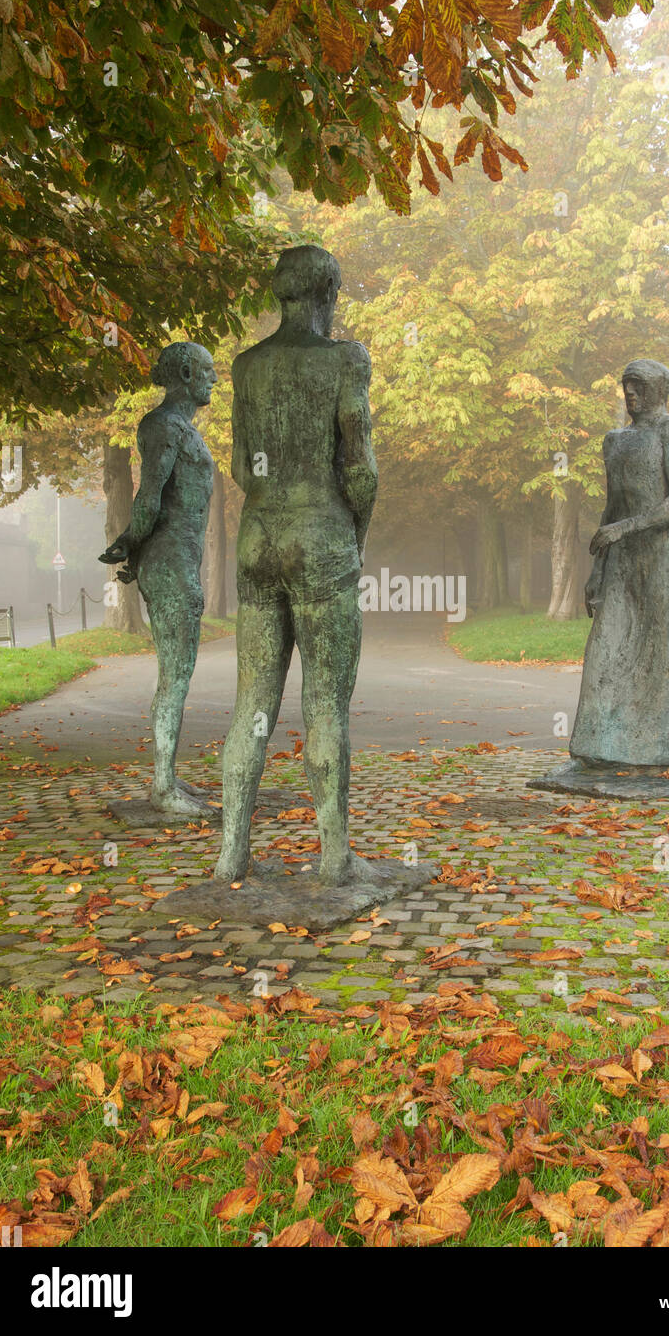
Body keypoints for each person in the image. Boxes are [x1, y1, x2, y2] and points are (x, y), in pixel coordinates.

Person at [214, 246, 378, 884]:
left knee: (250, 701)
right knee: (325, 704)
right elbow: (359, 465)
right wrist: (354, 532)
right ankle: (334, 857)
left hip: (259, 533)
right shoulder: (345, 359)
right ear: (329, 292)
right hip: (320, 533)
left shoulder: (247, 365)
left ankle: (232, 853)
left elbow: (238, 463)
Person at [570, 357, 669, 776]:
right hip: (622, 559)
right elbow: (613, 505)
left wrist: (623, 530)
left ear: (660, 390)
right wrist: (597, 570)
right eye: (626, 385)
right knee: (606, 649)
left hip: (667, 556)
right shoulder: (614, 440)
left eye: (638, 385)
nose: (630, 393)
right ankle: (596, 752)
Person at [99, 341, 217, 816]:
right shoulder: (164, 426)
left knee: (179, 672)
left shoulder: (182, 428)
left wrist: (135, 547)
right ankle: (163, 785)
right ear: (187, 373)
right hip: (170, 562)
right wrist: (130, 542)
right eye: (208, 370)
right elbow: (149, 498)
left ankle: (167, 776)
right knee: (175, 675)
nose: (214, 379)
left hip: (177, 559)